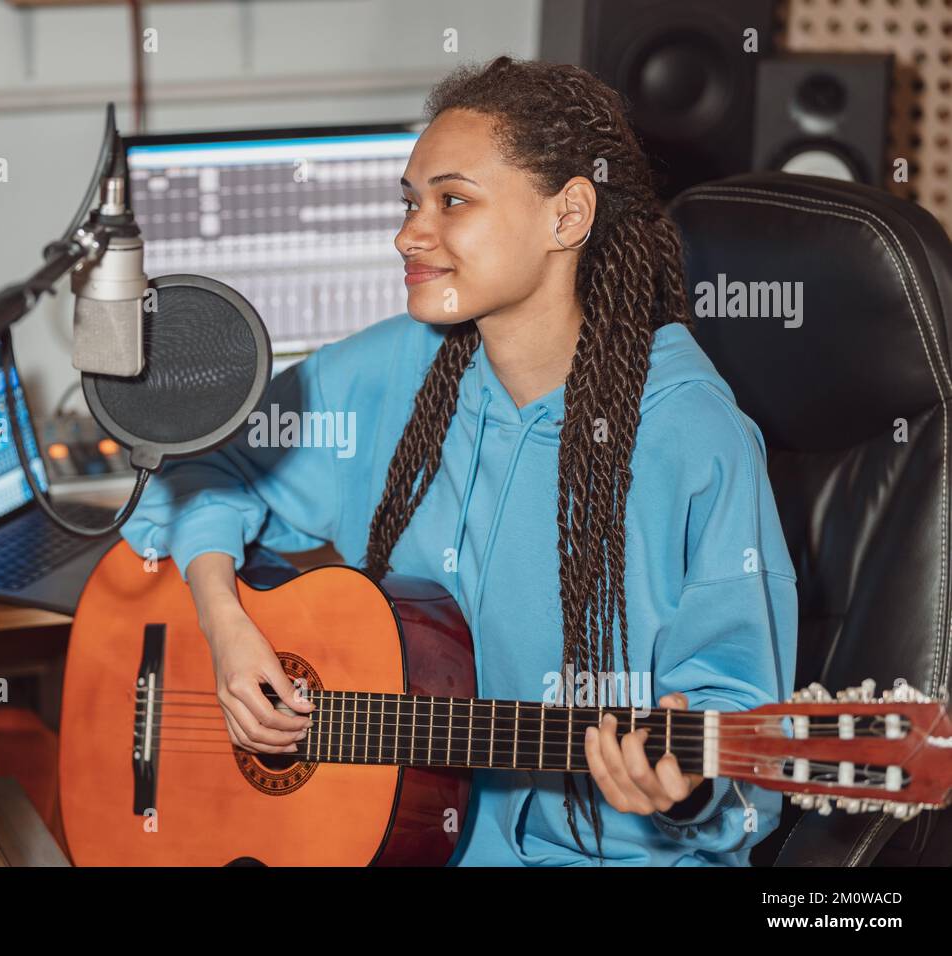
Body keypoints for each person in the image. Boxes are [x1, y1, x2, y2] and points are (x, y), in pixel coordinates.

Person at [119, 56, 798, 865]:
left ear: (568, 215)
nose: (408, 233)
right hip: (398, 837)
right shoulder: (400, 369)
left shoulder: (691, 434)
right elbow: (196, 470)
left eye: (453, 201)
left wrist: (684, 790)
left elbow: (746, 732)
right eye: (411, 203)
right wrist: (223, 619)